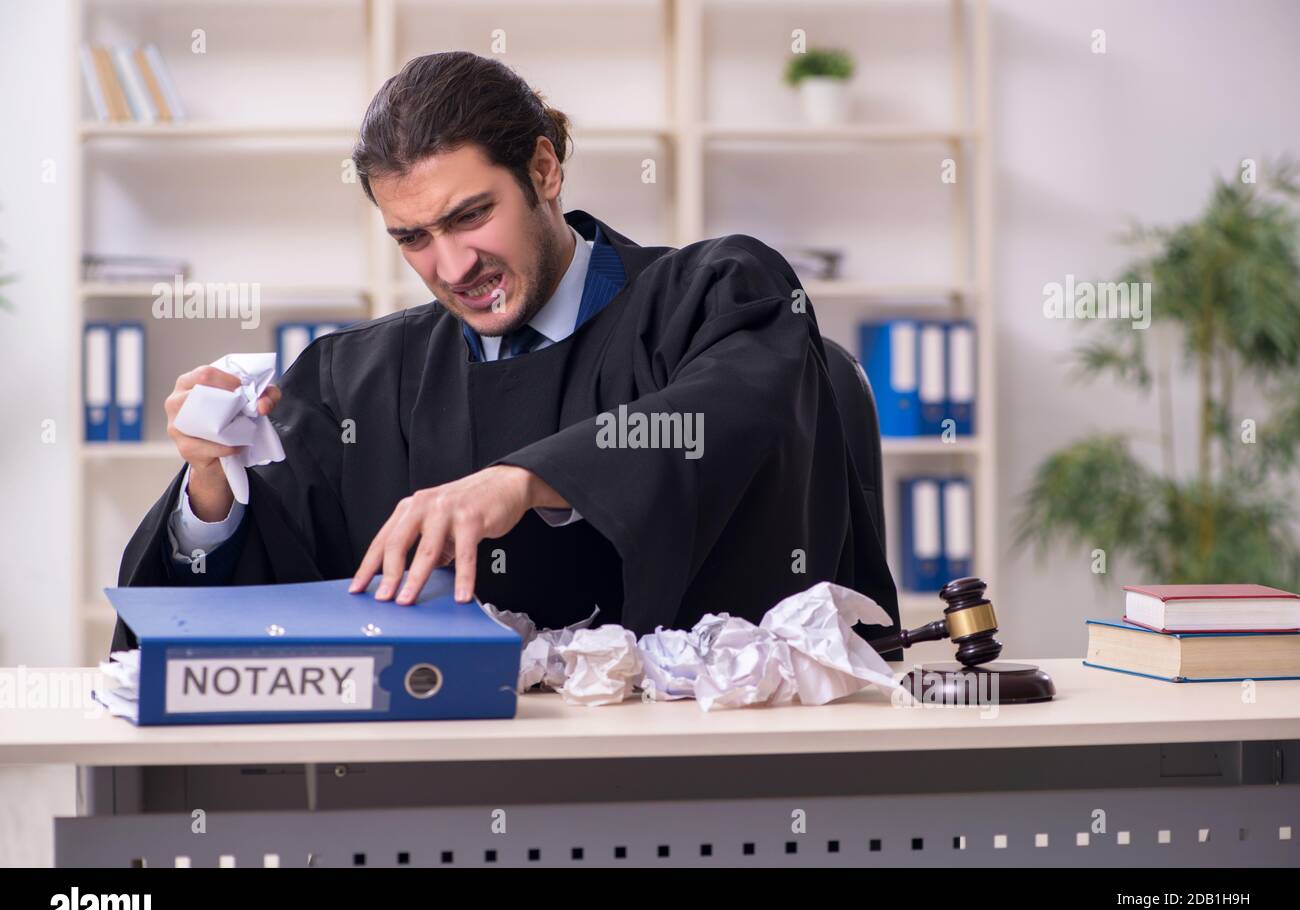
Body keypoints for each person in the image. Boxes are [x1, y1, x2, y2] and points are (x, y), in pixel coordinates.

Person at [111, 51, 899, 653]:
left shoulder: (715, 294)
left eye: (470, 216)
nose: (452, 266)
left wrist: (524, 481)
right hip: (436, 780)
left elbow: (736, 413)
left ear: (544, 169)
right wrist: (211, 483)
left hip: (697, 769)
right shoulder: (354, 380)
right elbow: (255, 594)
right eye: (413, 237)